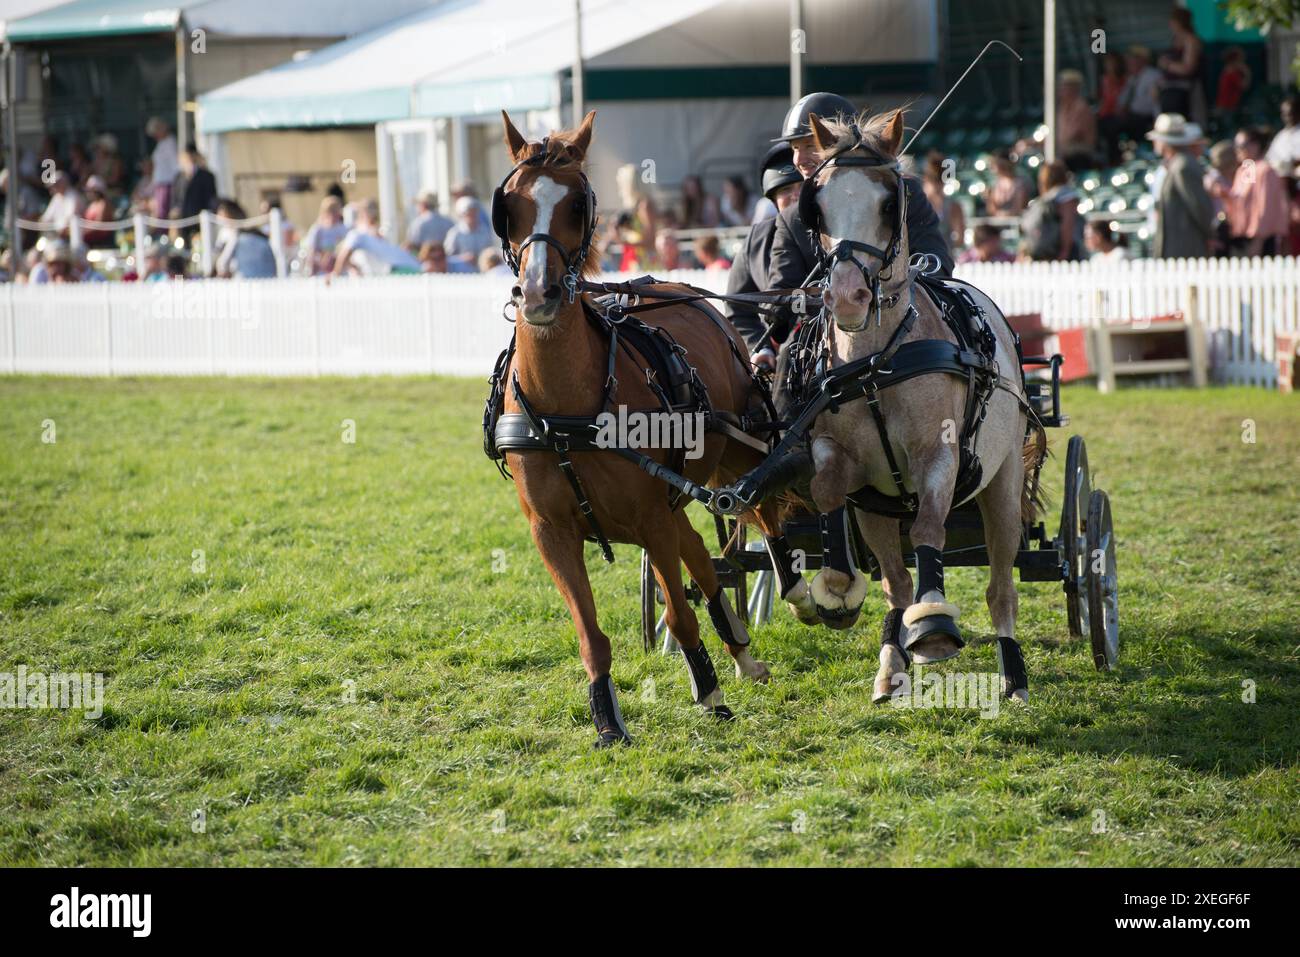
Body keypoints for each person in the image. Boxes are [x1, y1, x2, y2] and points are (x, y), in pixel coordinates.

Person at [765, 92, 953, 363]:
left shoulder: (903, 191)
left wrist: (889, 286)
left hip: (907, 331)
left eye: (811, 146)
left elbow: (937, 262)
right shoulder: (790, 219)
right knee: (784, 381)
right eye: (796, 148)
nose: (801, 158)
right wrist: (832, 295)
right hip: (822, 342)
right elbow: (782, 296)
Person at [725, 142, 803, 363]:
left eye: (802, 187)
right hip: (779, 361)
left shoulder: (833, 234)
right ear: (773, 198)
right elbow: (737, 306)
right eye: (786, 190)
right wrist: (762, 348)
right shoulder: (756, 240)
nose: (795, 196)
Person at [1148, 114, 1214, 259]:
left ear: (1165, 142)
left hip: (1184, 249)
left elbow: (1199, 206)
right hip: (1178, 248)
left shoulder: (1182, 166)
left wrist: (1211, 235)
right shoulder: (1177, 165)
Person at [1227, 127, 1288, 257]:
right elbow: (1239, 201)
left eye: (1241, 145)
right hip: (1241, 237)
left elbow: (1265, 208)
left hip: (1260, 240)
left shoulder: (1266, 171)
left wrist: (1258, 240)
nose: (1237, 149)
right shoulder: (1244, 170)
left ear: (1255, 145)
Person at [332, 199, 420, 276]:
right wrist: (353, 267)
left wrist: (335, 274)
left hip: (398, 270)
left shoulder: (357, 234)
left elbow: (344, 255)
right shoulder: (374, 235)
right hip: (410, 268)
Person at [1019, 160, 1082, 261]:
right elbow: (1068, 224)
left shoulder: (1045, 199)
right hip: (1060, 250)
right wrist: (1065, 251)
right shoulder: (1066, 196)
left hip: (1046, 250)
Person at [1158, 7, 1205, 122]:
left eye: (1173, 21)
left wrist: (1167, 65)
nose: (1170, 24)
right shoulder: (1175, 39)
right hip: (1170, 91)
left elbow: (1188, 68)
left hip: (1187, 93)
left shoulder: (1191, 40)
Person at [214, 200, 278, 279]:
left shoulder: (236, 236)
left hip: (246, 280)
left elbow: (222, 264)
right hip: (268, 278)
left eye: (221, 215)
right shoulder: (256, 235)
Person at [1056, 70, 1099, 171]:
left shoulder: (1081, 108)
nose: (1060, 90)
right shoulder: (1061, 108)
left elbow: (1074, 134)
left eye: (1064, 86)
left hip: (1079, 153)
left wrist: (1054, 145)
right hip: (1064, 150)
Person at [170, 147, 218, 239]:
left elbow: (211, 199)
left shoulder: (207, 176)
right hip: (182, 222)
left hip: (200, 221)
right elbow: (174, 201)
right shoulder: (178, 178)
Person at [922, 151, 966, 250]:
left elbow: (960, 238)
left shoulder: (953, 206)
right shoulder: (953, 205)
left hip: (940, 256)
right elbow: (960, 239)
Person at [301, 196, 350, 275]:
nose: (335, 215)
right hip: (321, 271)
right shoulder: (317, 229)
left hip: (339, 271)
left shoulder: (343, 229)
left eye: (336, 212)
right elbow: (311, 251)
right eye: (332, 212)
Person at [145, 117, 179, 226]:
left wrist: (176, 183)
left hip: (167, 184)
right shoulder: (161, 143)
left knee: (163, 213)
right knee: (158, 212)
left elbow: (175, 166)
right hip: (159, 184)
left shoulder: (170, 143)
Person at [443, 196, 495, 266]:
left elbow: (490, 250)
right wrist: (462, 258)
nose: (472, 215)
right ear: (461, 214)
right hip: (462, 274)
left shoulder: (484, 231)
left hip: (482, 272)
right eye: (468, 212)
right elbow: (447, 257)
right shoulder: (455, 233)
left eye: (474, 211)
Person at [985, 150, 1031, 217]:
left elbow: (1020, 207)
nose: (992, 167)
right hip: (999, 222)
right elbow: (991, 210)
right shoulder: (996, 184)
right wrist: (989, 199)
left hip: (1015, 222)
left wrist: (1005, 214)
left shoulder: (1020, 183)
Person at [1265, 94, 1300, 180]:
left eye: (1291, 114)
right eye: (1285, 114)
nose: (1288, 118)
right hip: (1281, 180)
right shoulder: (1281, 136)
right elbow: (1269, 158)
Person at [39, 171, 83, 238]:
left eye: (56, 185)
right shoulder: (56, 198)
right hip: (56, 235)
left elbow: (71, 216)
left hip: (71, 236)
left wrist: (62, 230)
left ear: (63, 183)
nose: (52, 188)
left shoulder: (73, 195)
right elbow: (46, 217)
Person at [80, 176, 116, 248]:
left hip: (102, 241)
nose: (88, 193)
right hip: (89, 238)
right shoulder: (91, 205)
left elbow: (99, 225)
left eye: (90, 191)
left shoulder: (104, 204)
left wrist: (83, 232)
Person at [1215, 47, 1251, 117]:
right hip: (1227, 108)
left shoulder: (1226, 71)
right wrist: (1247, 73)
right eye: (1240, 60)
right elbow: (1244, 86)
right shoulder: (1231, 74)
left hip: (1226, 107)